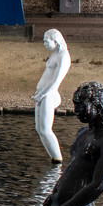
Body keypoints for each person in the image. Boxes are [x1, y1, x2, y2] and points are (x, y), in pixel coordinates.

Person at [34, 29, 71, 162]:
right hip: (42, 94)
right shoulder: (55, 54)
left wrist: (42, 94)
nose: (44, 43)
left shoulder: (63, 56)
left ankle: (58, 160)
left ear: (55, 41)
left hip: (49, 95)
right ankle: (53, 158)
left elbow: (56, 80)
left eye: (46, 41)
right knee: (39, 129)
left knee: (45, 129)